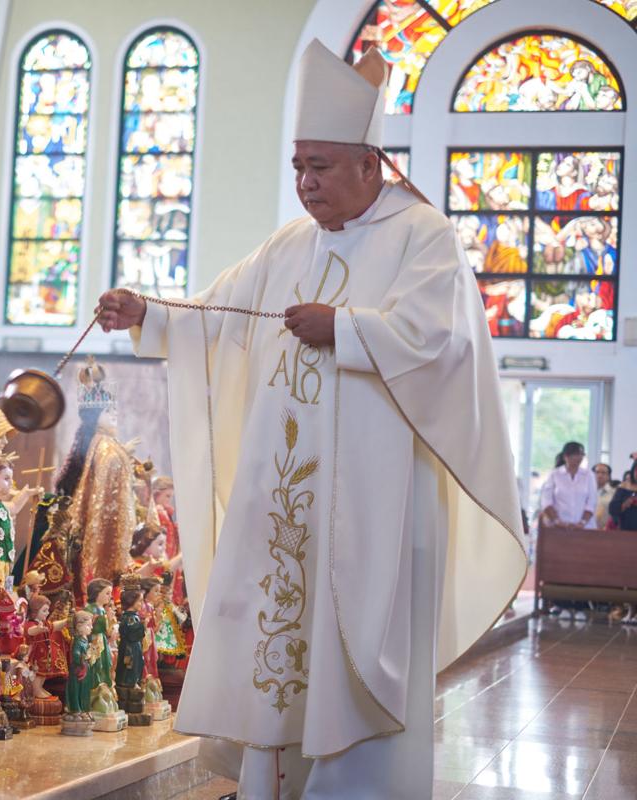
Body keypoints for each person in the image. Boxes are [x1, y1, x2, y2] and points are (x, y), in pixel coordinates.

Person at [95, 40, 526, 798]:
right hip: (286, 504)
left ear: (371, 164)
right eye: (298, 166)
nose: (305, 183)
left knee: (352, 650)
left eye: (320, 166)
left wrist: (351, 331)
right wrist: (148, 313)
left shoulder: (425, 236)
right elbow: (216, 317)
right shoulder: (289, 242)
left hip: (374, 502)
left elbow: (443, 344)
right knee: (280, 648)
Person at [539, 442, 596, 529]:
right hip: (557, 527)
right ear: (566, 456)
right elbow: (546, 501)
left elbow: (591, 502)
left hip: (584, 527)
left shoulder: (588, 475)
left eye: (582, 454)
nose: (580, 458)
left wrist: (582, 522)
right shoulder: (554, 474)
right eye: (576, 454)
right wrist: (557, 521)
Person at [609, 459, 637, 531]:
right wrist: (624, 504)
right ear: (633, 471)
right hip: (626, 530)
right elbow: (612, 509)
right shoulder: (624, 487)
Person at [593, 462, 617, 529]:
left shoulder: (614, 493)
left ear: (608, 476)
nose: (599, 475)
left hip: (606, 531)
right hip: (584, 530)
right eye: (597, 472)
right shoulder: (585, 492)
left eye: (603, 473)